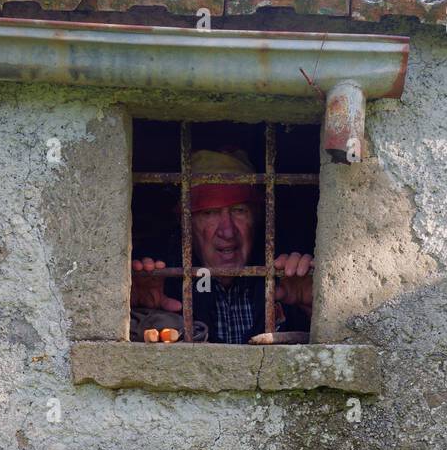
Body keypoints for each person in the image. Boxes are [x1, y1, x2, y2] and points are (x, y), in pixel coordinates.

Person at [131, 147, 314, 343]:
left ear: (259, 216)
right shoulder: (163, 279)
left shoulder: (287, 277)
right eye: (208, 213)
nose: (227, 231)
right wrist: (130, 305)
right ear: (186, 222)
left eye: (239, 210)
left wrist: (313, 304)